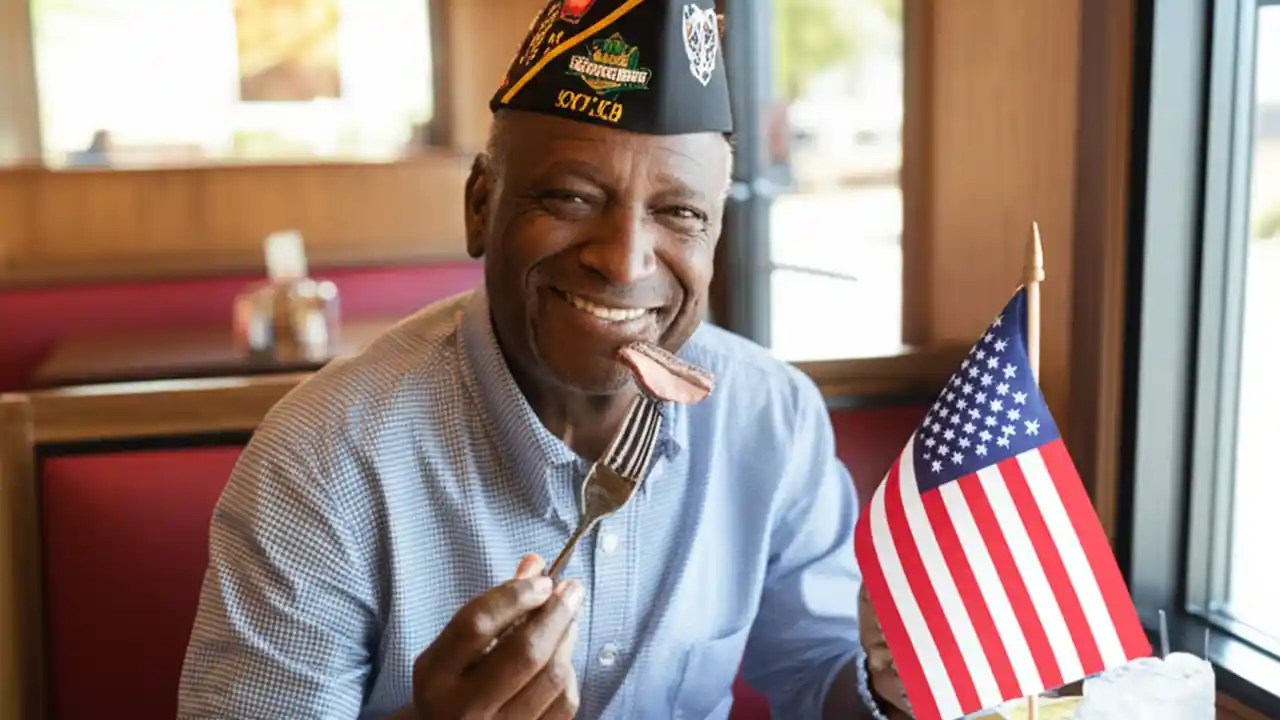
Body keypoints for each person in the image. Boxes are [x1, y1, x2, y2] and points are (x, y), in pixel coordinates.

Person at [177, 1, 905, 717]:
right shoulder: (326, 455)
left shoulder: (768, 415)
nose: (624, 263)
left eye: (679, 213)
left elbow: (819, 673)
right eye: (570, 197)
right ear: (479, 206)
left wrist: (893, 685)